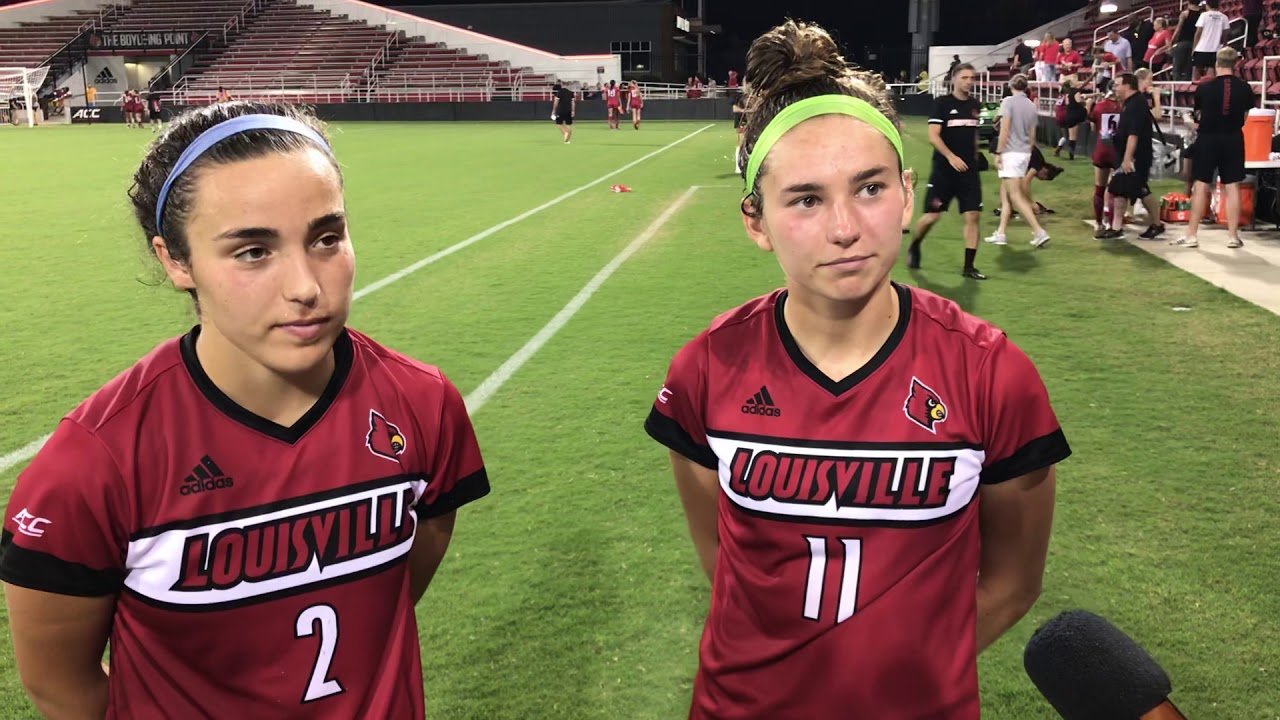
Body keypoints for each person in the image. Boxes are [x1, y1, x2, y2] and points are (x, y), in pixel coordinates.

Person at [0, 102, 491, 719]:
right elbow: (59, 684)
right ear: (176, 261)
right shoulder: (93, 464)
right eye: (253, 251)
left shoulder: (421, 402)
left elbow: (400, 580)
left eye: (326, 238)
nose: (306, 286)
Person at [644, 19, 1070, 720]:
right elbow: (726, 569)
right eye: (806, 199)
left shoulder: (993, 375)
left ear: (905, 193)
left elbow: (1014, 582)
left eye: (869, 188)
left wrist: (903, 675)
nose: (845, 227)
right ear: (756, 221)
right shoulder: (705, 370)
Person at [907, 63, 986, 279]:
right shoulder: (942, 104)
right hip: (944, 172)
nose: (969, 81)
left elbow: (974, 135)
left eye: (972, 78)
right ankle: (915, 244)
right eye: (965, 77)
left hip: (968, 173)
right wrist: (951, 157)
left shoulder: (974, 105)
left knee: (972, 216)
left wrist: (978, 157)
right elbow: (934, 136)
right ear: (954, 79)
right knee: (932, 217)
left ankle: (969, 267)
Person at [1174, 46, 1254, 249]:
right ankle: (1233, 236)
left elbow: (1199, 115)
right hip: (1233, 138)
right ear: (1236, 64)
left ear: (1217, 64)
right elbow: (1245, 118)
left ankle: (1192, 234)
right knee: (1232, 185)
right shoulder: (1245, 88)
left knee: (1200, 184)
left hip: (1208, 138)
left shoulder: (1205, 87)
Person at [987, 74, 1052, 248]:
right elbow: (1032, 135)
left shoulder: (1008, 102)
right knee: (1006, 195)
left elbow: (1005, 128)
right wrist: (1027, 152)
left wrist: (999, 152)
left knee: (1015, 196)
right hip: (1024, 153)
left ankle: (1039, 231)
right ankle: (1000, 233)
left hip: (1011, 153)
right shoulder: (1031, 105)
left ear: (1011, 86)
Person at [1106, 73, 1162, 239]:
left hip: (1135, 157)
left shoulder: (1135, 105)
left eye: (1117, 85)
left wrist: (1127, 159)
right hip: (1129, 156)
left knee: (1136, 189)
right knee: (1122, 189)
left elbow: (1133, 134)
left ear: (1127, 86)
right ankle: (1116, 227)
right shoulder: (1130, 103)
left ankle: (1157, 224)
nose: (1115, 88)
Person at [1088, 89, 1123, 236]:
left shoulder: (1100, 106)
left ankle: (1098, 223)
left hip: (1103, 149)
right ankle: (1112, 222)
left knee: (1099, 188)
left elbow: (1094, 128)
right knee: (1116, 190)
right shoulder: (1124, 106)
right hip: (1118, 151)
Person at [1192, 0, 1230, 81]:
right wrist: (1224, 46)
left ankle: (1196, 90)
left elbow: (1198, 32)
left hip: (1201, 48)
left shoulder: (1204, 15)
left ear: (1207, 5)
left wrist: (1194, 48)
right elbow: (1225, 35)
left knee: (1196, 72)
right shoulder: (1224, 17)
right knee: (1211, 71)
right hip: (1216, 49)